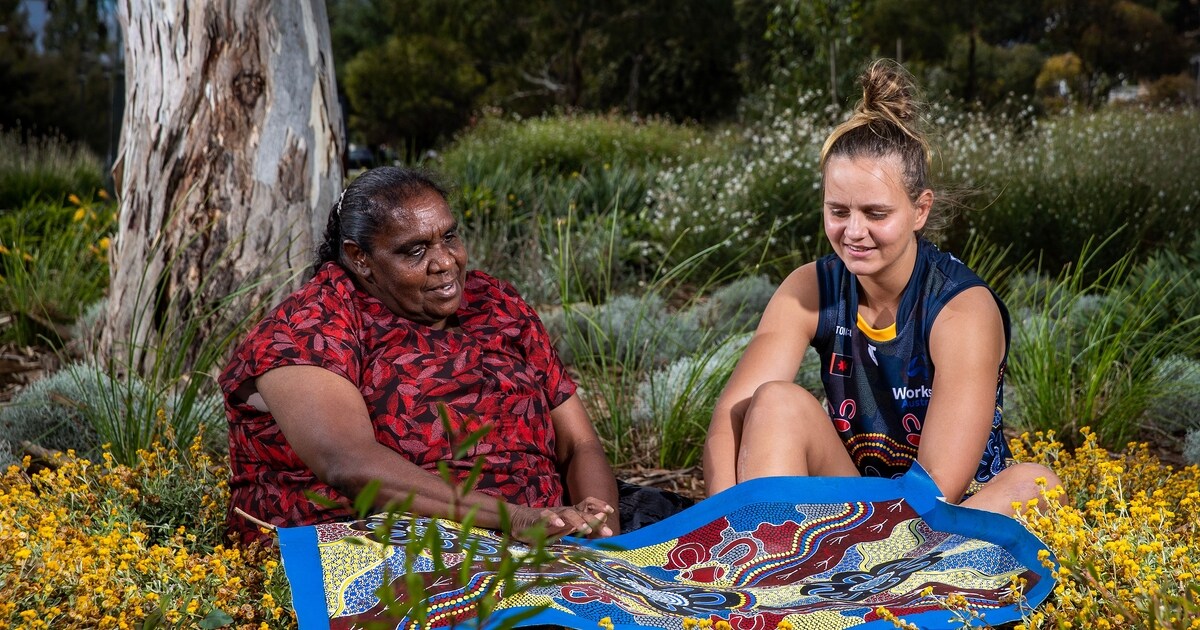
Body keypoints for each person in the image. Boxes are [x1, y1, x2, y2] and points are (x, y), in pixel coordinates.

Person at [702, 59, 1063, 515]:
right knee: (775, 403)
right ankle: (761, 546)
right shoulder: (811, 288)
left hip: (946, 518)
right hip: (856, 503)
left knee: (1036, 484)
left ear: (920, 210)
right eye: (838, 211)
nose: (853, 232)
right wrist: (720, 521)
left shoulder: (960, 309)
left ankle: (828, 567)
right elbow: (728, 421)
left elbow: (936, 490)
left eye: (875, 214)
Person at [221, 167, 619, 546]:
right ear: (360, 258)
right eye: (414, 251)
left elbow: (579, 443)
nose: (445, 262)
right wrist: (514, 517)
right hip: (377, 547)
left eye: (450, 237)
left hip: (546, 540)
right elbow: (349, 464)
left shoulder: (496, 304)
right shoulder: (310, 325)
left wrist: (602, 533)